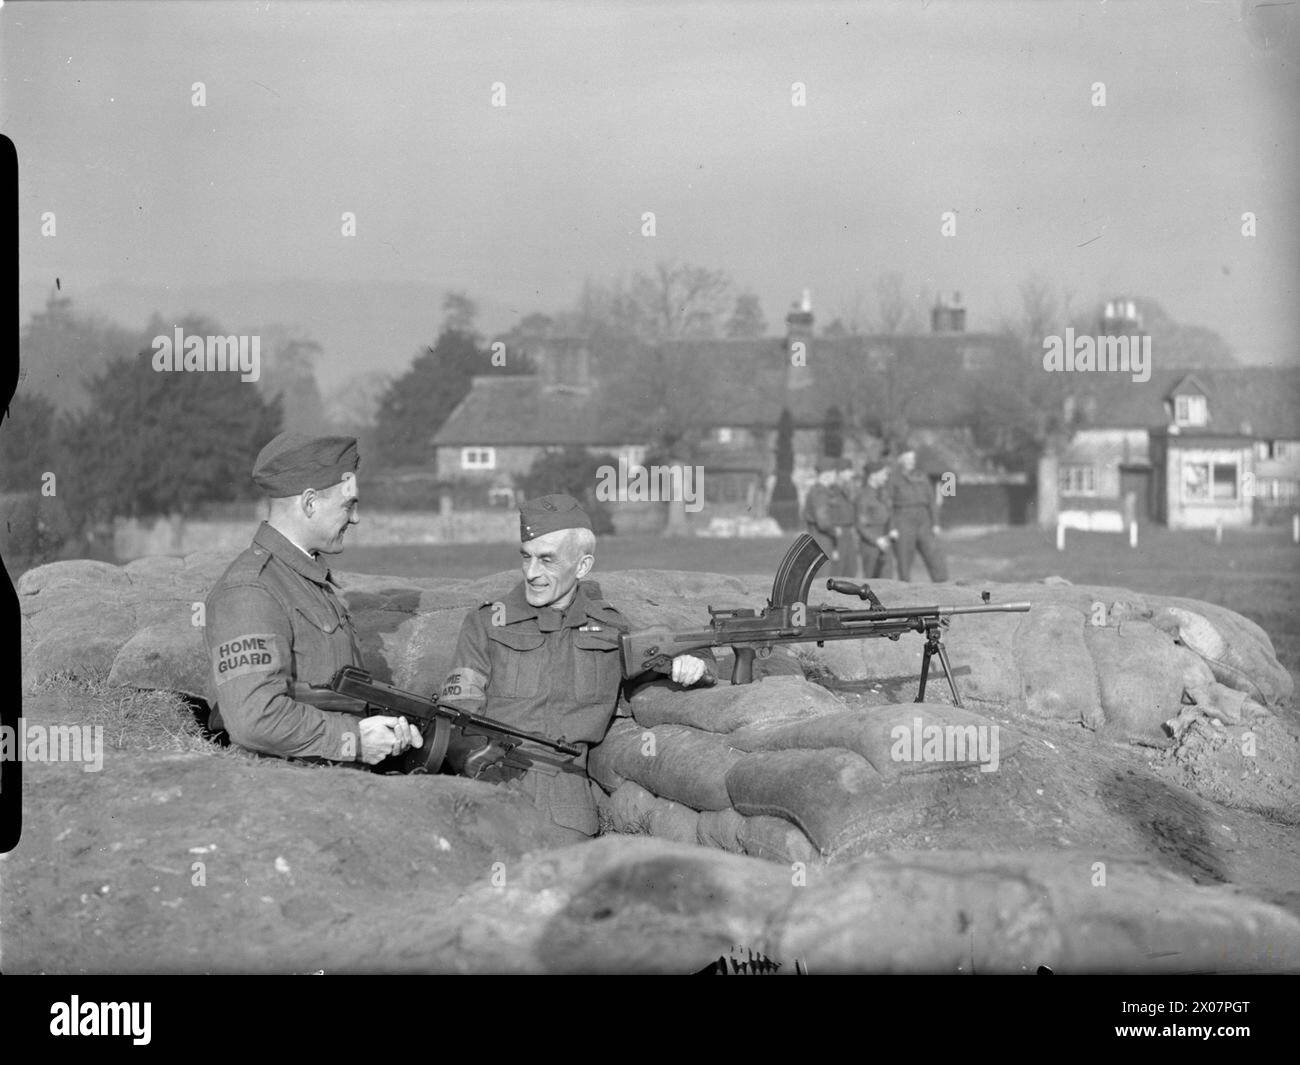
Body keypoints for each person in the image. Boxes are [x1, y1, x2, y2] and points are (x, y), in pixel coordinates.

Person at [436, 494, 710, 838]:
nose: (531, 573)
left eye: (547, 560)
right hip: (488, 789)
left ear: (582, 567)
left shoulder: (611, 631)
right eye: (526, 557)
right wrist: (479, 769)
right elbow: (455, 714)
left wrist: (688, 666)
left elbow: (667, 662)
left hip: (566, 807)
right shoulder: (487, 624)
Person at [203, 432, 421, 766]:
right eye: (348, 505)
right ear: (309, 502)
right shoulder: (250, 591)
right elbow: (254, 719)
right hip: (287, 794)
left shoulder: (304, 580)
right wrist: (354, 741)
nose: (355, 517)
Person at [889, 441, 950, 583]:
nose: (911, 462)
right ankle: (904, 589)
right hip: (903, 520)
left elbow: (931, 502)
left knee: (934, 554)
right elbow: (889, 505)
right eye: (908, 459)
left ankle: (943, 584)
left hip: (923, 520)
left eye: (913, 459)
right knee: (904, 558)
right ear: (901, 460)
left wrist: (935, 523)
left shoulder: (922, 476)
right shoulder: (894, 478)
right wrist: (892, 527)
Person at [803, 457, 856, 577]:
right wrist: (835, 530)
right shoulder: (820, 493)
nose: (835, 476)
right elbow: (823, 522)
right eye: (833, 473)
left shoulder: (823, 491)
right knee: (824, 578)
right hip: (822, 540)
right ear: (827, 474)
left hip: (826, 538)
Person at [856, 460, 894, 579]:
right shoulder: (863, 496)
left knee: (887, 581)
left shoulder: (882, 493)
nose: (885, 477)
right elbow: (860, 525)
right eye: (883, 474)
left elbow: (889, 514)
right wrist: (876, 540)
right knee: (872, 580)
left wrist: (891, 530)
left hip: (885, 540)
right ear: (873, 475)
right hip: (871, 545)